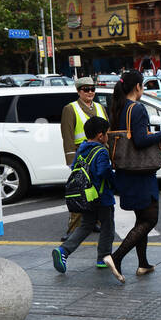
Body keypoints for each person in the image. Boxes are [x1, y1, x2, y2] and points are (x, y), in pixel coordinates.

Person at [107, 71, 161, 277]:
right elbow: (139, 141)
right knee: (150, 219)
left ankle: (143, 263)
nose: (143, 89)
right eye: (143, 85)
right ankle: (116, 257)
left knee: (141, 218)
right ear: (137, 86)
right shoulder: (136, 108)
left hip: (126, 170)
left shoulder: (117, 108)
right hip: (140, 172)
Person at [52, 116, 118, 278]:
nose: (107, 137)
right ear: (100, 135)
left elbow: (75, 167)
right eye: (107, 134)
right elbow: (103, 171)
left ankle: (63, 250)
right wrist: (115, 179)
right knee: (108, 226)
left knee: (85, 225)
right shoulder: (101, 150)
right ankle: (103, 257)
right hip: (102, 196)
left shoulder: (82, 148)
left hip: (86, 197)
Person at [60, 78, 108, 244]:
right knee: (81, 190)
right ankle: (73, 228)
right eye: (86, 89)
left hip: (100, 154)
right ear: (79, 91)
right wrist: (71, 160)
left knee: (99, 190)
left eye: (92, 89)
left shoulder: (100, 107)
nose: (90, 92)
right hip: (82, 156)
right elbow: (67, 136)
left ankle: (96, 221)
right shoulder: (70, 108)